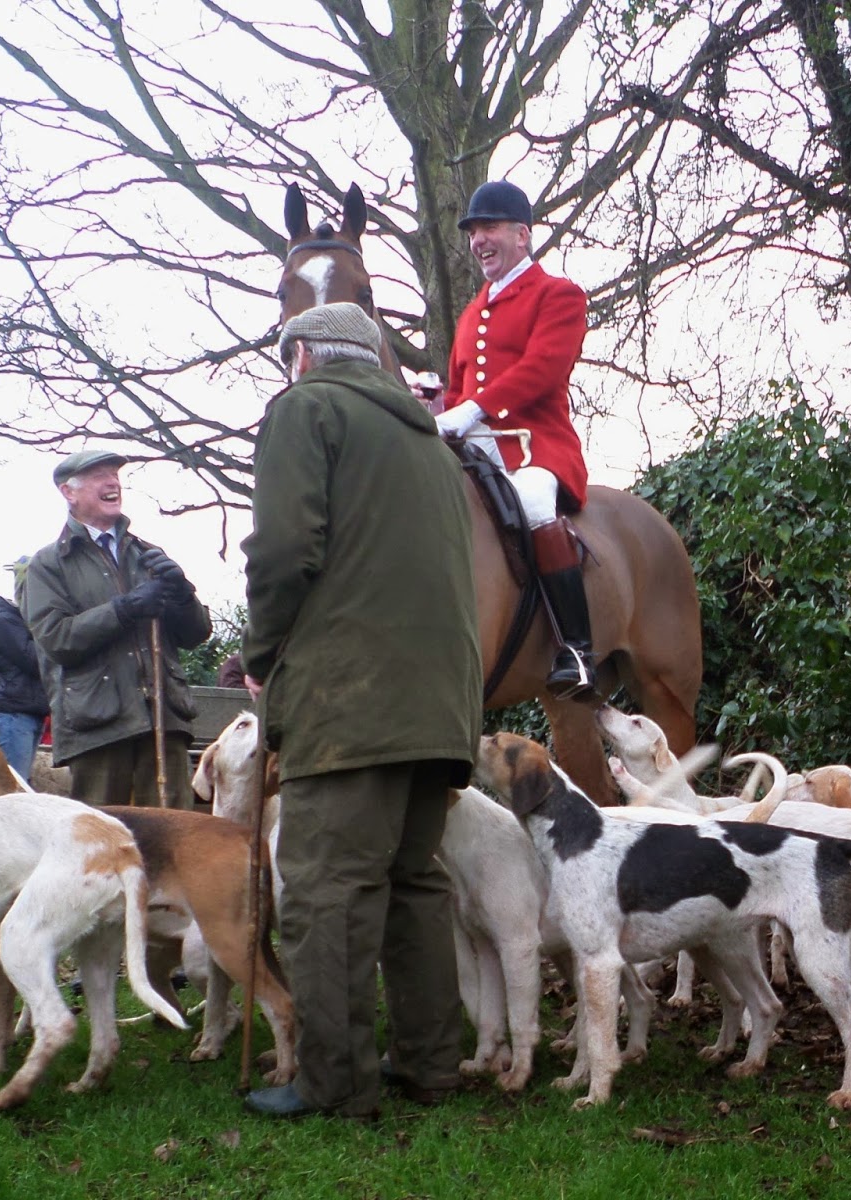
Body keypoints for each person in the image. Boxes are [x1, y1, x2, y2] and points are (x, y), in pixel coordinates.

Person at [241, 302, 481, 1119]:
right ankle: (430, 1066)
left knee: (325, 890)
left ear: (300, 356)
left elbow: (281, 551)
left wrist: (263, 655)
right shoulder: (430, 439)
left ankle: (334, 1082)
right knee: (415, 883)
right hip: (441, 701)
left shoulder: (304, 409)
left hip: (350, 700)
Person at [430, 179, 595, 699]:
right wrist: (439, 405)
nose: (479, 240)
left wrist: (471, 410)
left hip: (533, 444)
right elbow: (458, 391)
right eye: (475, 231)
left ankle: (576, 648)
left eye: (490, 228)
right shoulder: (472, 312)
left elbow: (544, 369)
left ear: (522, 235)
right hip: (475, 447)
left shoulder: (559, 295)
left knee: (531, 500)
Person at [23, 449, 211, 808]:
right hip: (99, 728)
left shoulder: (148, 554)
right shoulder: (48, 564)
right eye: (98, 476)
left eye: (115, 476)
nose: (112, 483)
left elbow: (195, 634)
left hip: (163, 720)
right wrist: (123, 610)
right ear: (69, 492)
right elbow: (56, 639)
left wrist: (183, 592)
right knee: (105, 846)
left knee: (175, 840)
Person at [0, 557, 49, 785]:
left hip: (30, 711)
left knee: (22, 781)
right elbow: (33, 660)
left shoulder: (21, 621)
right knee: (13, 785)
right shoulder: (5, 622)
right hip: (14, 712)